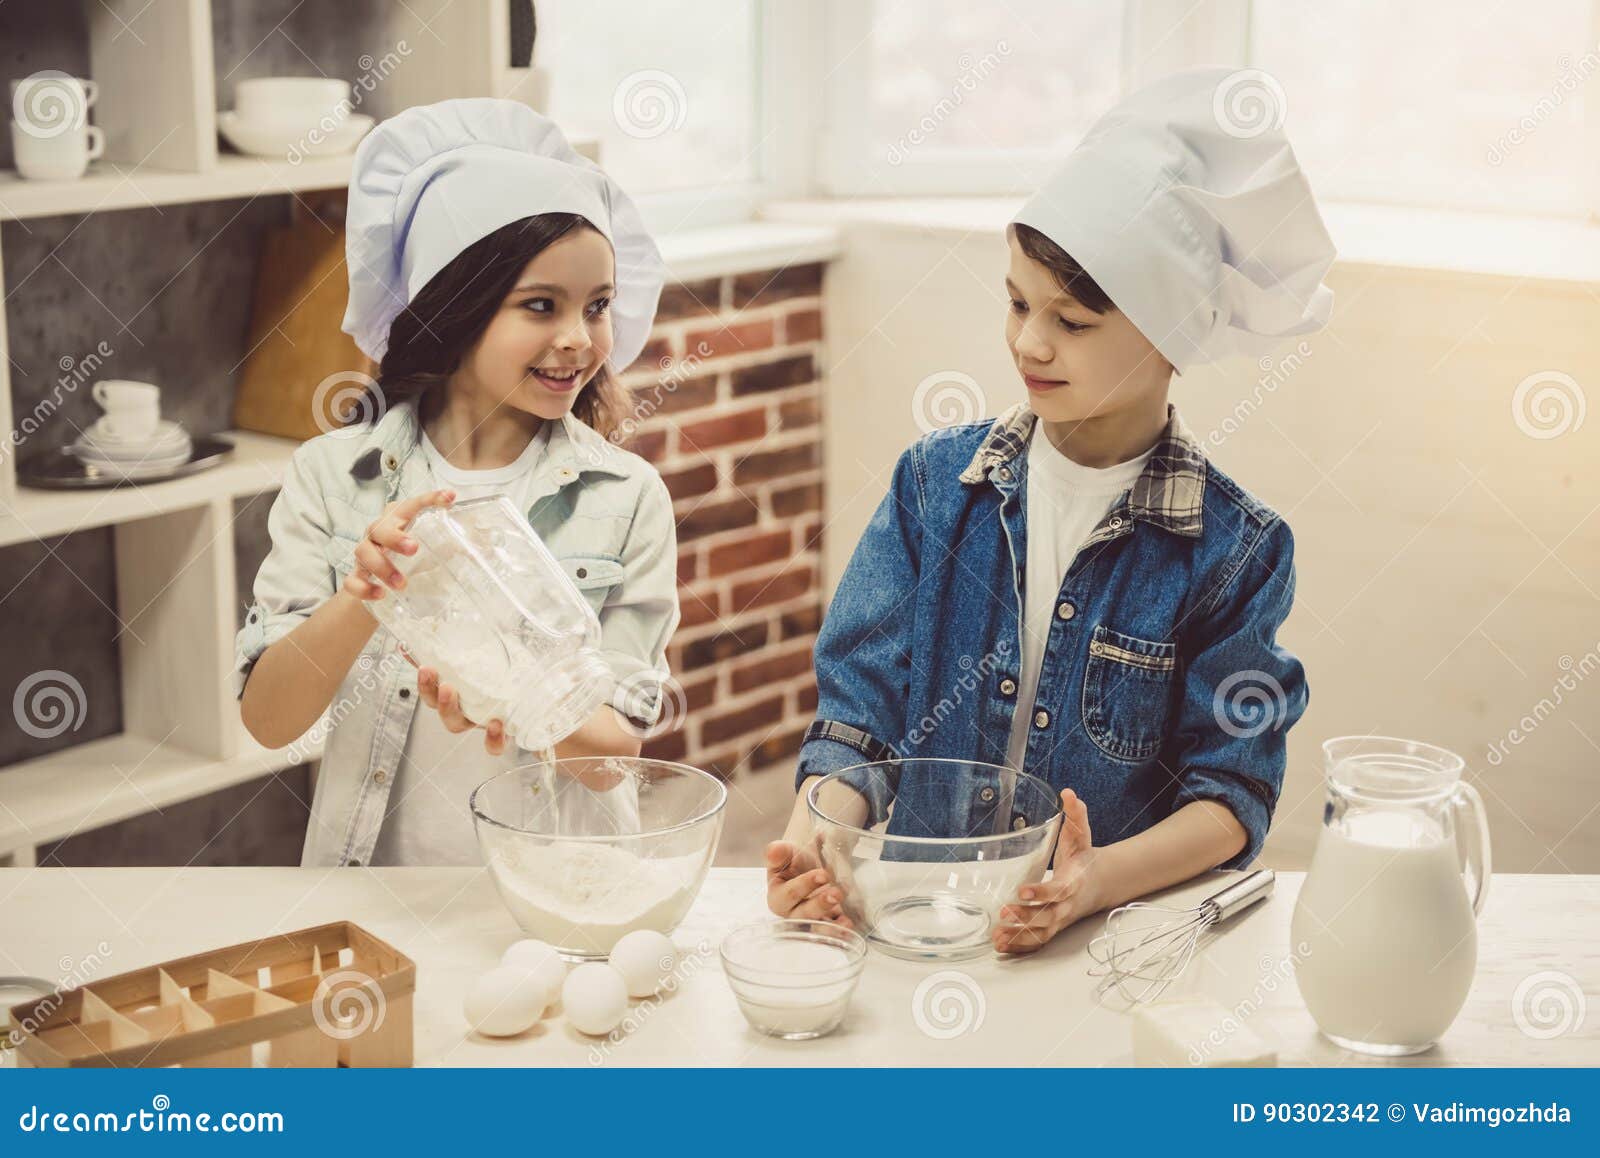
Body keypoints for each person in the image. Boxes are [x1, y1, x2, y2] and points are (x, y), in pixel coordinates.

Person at [767, 70, 1336, 953]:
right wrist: (817, 841)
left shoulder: (1235, 552)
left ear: (1168, 332)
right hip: (922, 921)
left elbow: (1231, 795)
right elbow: (857, 719)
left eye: (1071, 320)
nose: (1029, 342)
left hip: (1099, 946)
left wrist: (1092, 880)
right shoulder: (932, 487)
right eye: (1018, 301)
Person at [235, 99, 678, 867]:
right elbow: (270, 720)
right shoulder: (333, 478)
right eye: (540, 305)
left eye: (598, 306)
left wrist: (519, 690)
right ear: (454, 310)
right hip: (374, 896)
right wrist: (364, 595)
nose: (579, 338)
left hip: (559, 895)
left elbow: (614, 759)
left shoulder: (626, 497)